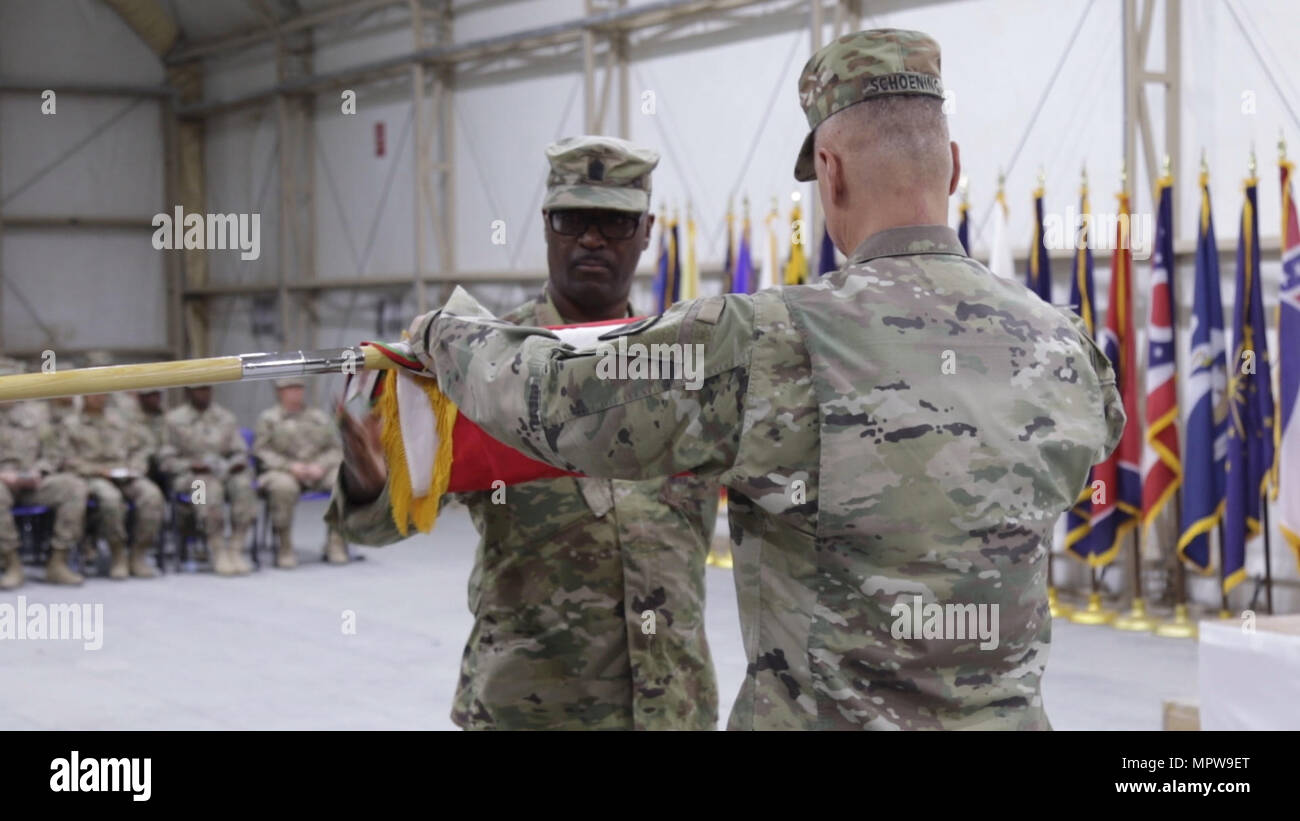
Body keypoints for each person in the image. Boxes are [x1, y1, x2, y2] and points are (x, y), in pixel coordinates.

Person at [354, 30, 1126, 730]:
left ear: (829, 170)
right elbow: (1102, 433)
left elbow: (562, 400)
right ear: (953, 168)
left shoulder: (776, 340)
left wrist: (441, 333)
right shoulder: (1065, 346)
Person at [329, 135, 721, 730]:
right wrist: (372, 483)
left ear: (646, 231)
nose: (592, 238)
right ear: (546, 225)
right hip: (530, 709)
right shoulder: (477, 362)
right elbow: (386, 520)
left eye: (613, 222)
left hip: (672, 706)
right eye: (573, 219)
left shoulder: (687, 363)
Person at [0, 357, 88, 588]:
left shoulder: (38, 414)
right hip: (2, 483)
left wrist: (38, 471)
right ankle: (12, 563)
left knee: (74, 487)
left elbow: (53, 452)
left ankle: (58, 562)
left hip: (33, 482)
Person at [57, 393, 164, 579]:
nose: (98, 397)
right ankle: (118, 552)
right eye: (93, 393)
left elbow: (143, 447)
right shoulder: (70, 424)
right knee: (110, 499)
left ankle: (139, 553)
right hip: (92, 475)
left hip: (125, 472)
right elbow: (66, 459)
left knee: (151, 495)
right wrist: (97, 470)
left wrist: (136, 467)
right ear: (84, 396)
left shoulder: (122, 420)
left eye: (102, 392)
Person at [161, 386, 256, 576]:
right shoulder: (173, 420)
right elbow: (165, 459)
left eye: (207, 390)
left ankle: (236, 548)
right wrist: (191, 465)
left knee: (244, 486)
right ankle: (217, 548)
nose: (203, 394)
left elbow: (240, 451)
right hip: (189, 478)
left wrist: (236, 463)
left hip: (223, 473)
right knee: (204, 489)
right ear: (188, 393)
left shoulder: (225, 417)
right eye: (198, 390)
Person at [254, 377, 346, 567]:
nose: (295, 392)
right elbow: (261, 451)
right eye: (290, 389)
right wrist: (290, 467)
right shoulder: (269, 419)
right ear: (280, 392)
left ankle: (335, 542)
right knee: (282, 487)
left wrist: (320, 465)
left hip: (317, 470)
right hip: (284, 471)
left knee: (345, 482)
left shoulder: (319, 418)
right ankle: (284, 546)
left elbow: (335, 449)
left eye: (298, 388)